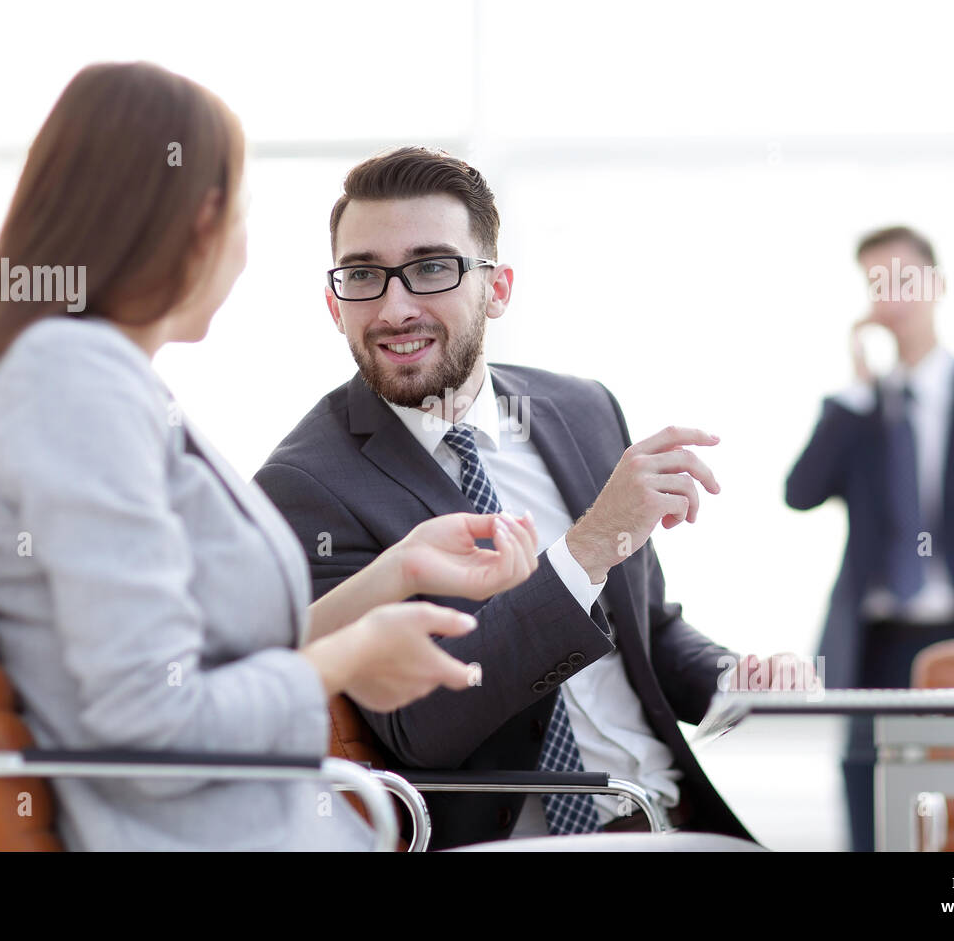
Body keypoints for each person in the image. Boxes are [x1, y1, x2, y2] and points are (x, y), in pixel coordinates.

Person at [0, 63, 542, 851]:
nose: (244, 255)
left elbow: (211, 666)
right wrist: (349, 658)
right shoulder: (73, 388)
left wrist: (404, 568)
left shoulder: (96, 381)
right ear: (203, 215)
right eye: (243, 216)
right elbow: (154, 722)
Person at [255, 146, 814, 850]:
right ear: (334, 305)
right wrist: (586, 547)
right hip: (520, 840)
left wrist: (740, 682)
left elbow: (649, 629)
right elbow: (422, 728)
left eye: (432, 268)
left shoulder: (579, 409)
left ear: (498, 289)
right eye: (364, 275)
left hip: (677, 817)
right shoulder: (307, 486)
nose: (395, 308)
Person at [785, 225, 954, 851]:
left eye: (904, 278)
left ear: (938, 285)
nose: (892, 296)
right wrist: (858, 391)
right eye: (877, 283)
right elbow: (800, 493)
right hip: (875, 638)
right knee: (868, 790)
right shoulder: (859, 409)